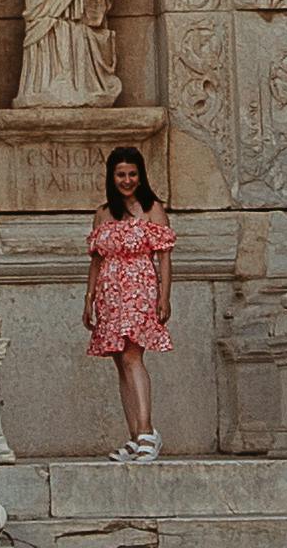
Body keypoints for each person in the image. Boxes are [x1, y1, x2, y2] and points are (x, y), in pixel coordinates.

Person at [84, 140, 173, 459]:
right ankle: (135, 436)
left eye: (132, 174)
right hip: (110, 293)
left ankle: (148, 431)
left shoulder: (152, 209)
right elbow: (95, 258)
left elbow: (164, 257)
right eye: (121, 174)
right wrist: (89, 296)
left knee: (134, 356)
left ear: (141, 175)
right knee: (120, 362)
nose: (127, 180)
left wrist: (164, 296)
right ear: (112, 176)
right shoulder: (103, 213)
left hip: (140, 288)